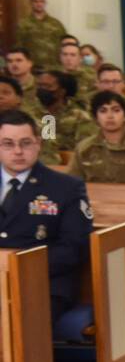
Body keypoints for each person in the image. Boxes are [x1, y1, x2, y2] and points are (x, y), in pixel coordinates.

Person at [0, 108, 93, 324]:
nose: (18, 151)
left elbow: (73, 247)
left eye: (25, 143)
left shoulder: (66, 187)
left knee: (14, 321)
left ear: (38, 144)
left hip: (43, 283)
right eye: (8, 144)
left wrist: (18, 269)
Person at [34, 70, 95, 154]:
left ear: (62, 91)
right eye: (40, 85)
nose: (42, 89)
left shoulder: (79, 116)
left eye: (48, 86)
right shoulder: (30, 112)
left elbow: (85, 147)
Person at [16, 0, 68, 71]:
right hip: (32, 67)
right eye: (35, 1)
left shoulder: (56, 24)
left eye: (41, 1)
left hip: (54, 67)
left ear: (45, 3)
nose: (39, 4)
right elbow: (19, 46)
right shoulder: (23, 24)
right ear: (30, 3)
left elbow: (65, 44)